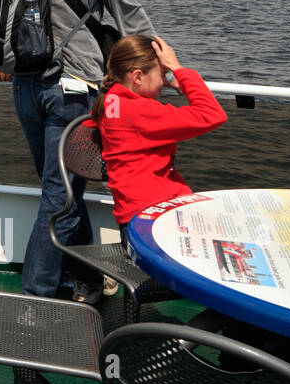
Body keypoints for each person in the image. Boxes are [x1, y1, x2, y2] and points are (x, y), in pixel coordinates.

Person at [0, 0, 155, 304]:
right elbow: (128, 13)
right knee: (60, 200)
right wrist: (161, 63)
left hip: (25, 85)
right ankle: (37, 302)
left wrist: (10, 60)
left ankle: (86, 281)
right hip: (73, 90)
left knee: (62, 193)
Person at [92, 35, 226, 242]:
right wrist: (180, 71)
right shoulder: (141, 112)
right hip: (153, 220)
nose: (164, 81)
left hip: (133, 216)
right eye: (163, 73)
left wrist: (168, 78)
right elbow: (212, 114)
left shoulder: (111, 100)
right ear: (137, 77)